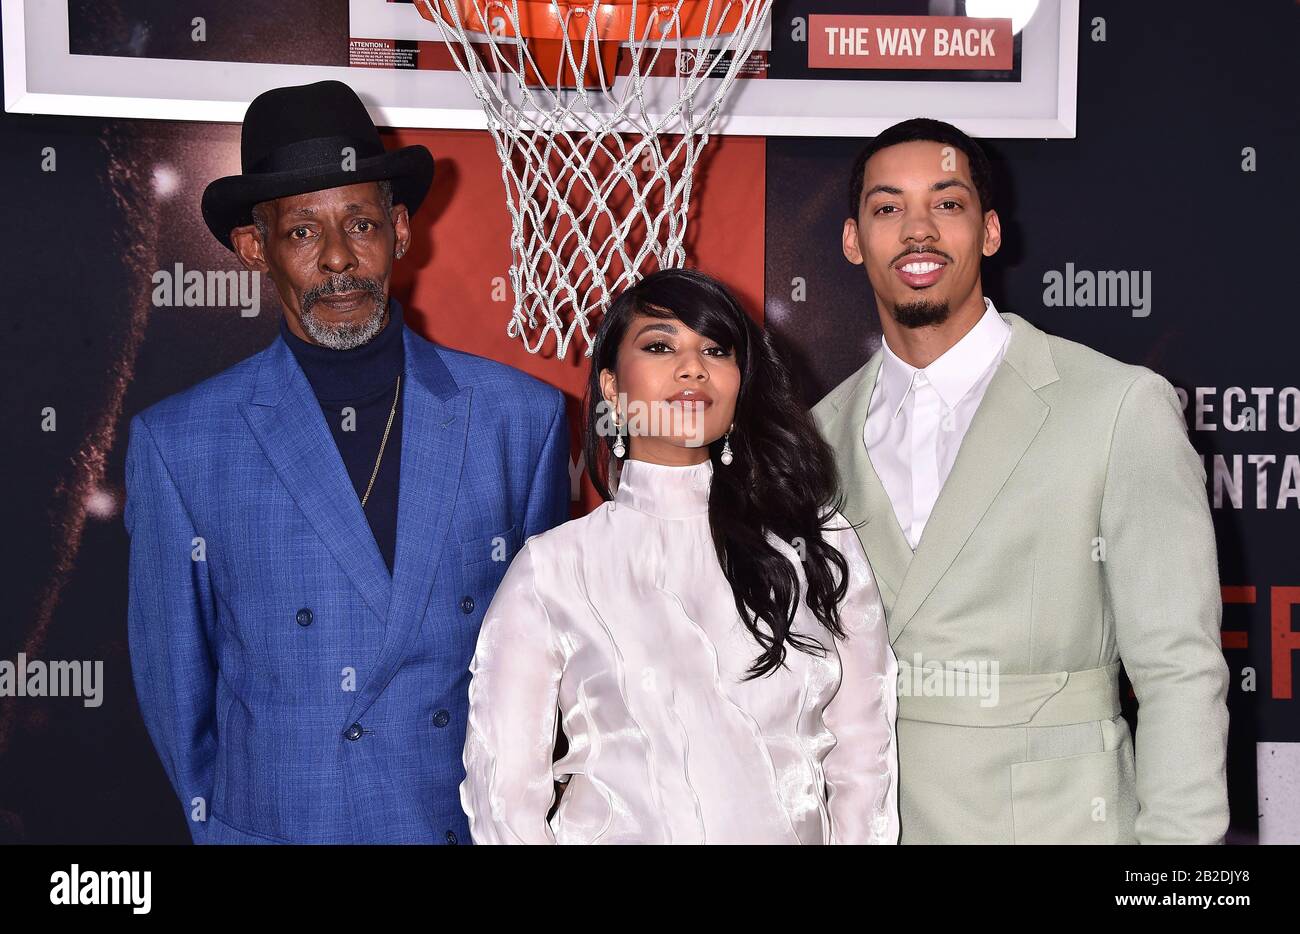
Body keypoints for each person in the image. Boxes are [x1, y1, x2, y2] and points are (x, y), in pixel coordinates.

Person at [124, 80, 570, 844]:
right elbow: (175, 693)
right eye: (302, 232)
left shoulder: (520, 420)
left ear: (399, 231)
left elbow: (540, 669)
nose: (338, 259)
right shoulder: (180, 444)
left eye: (360, 223)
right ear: (252, 246)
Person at [812, 117, 1230, 844]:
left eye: (946, 203)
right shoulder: (817, 434)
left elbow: (1180, 673)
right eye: (887, 208)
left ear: (991, 230)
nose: (918, 230)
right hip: (872, 824)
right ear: (853, 240)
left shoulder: (1118, 406)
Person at [459, 267, 899, 844]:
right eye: (661, 345)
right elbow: (505, 791)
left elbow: (865, 761)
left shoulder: (817, 544)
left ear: (740, 385)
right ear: (613, 390)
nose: (693, 367)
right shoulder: (554, 569)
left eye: (715, 350)